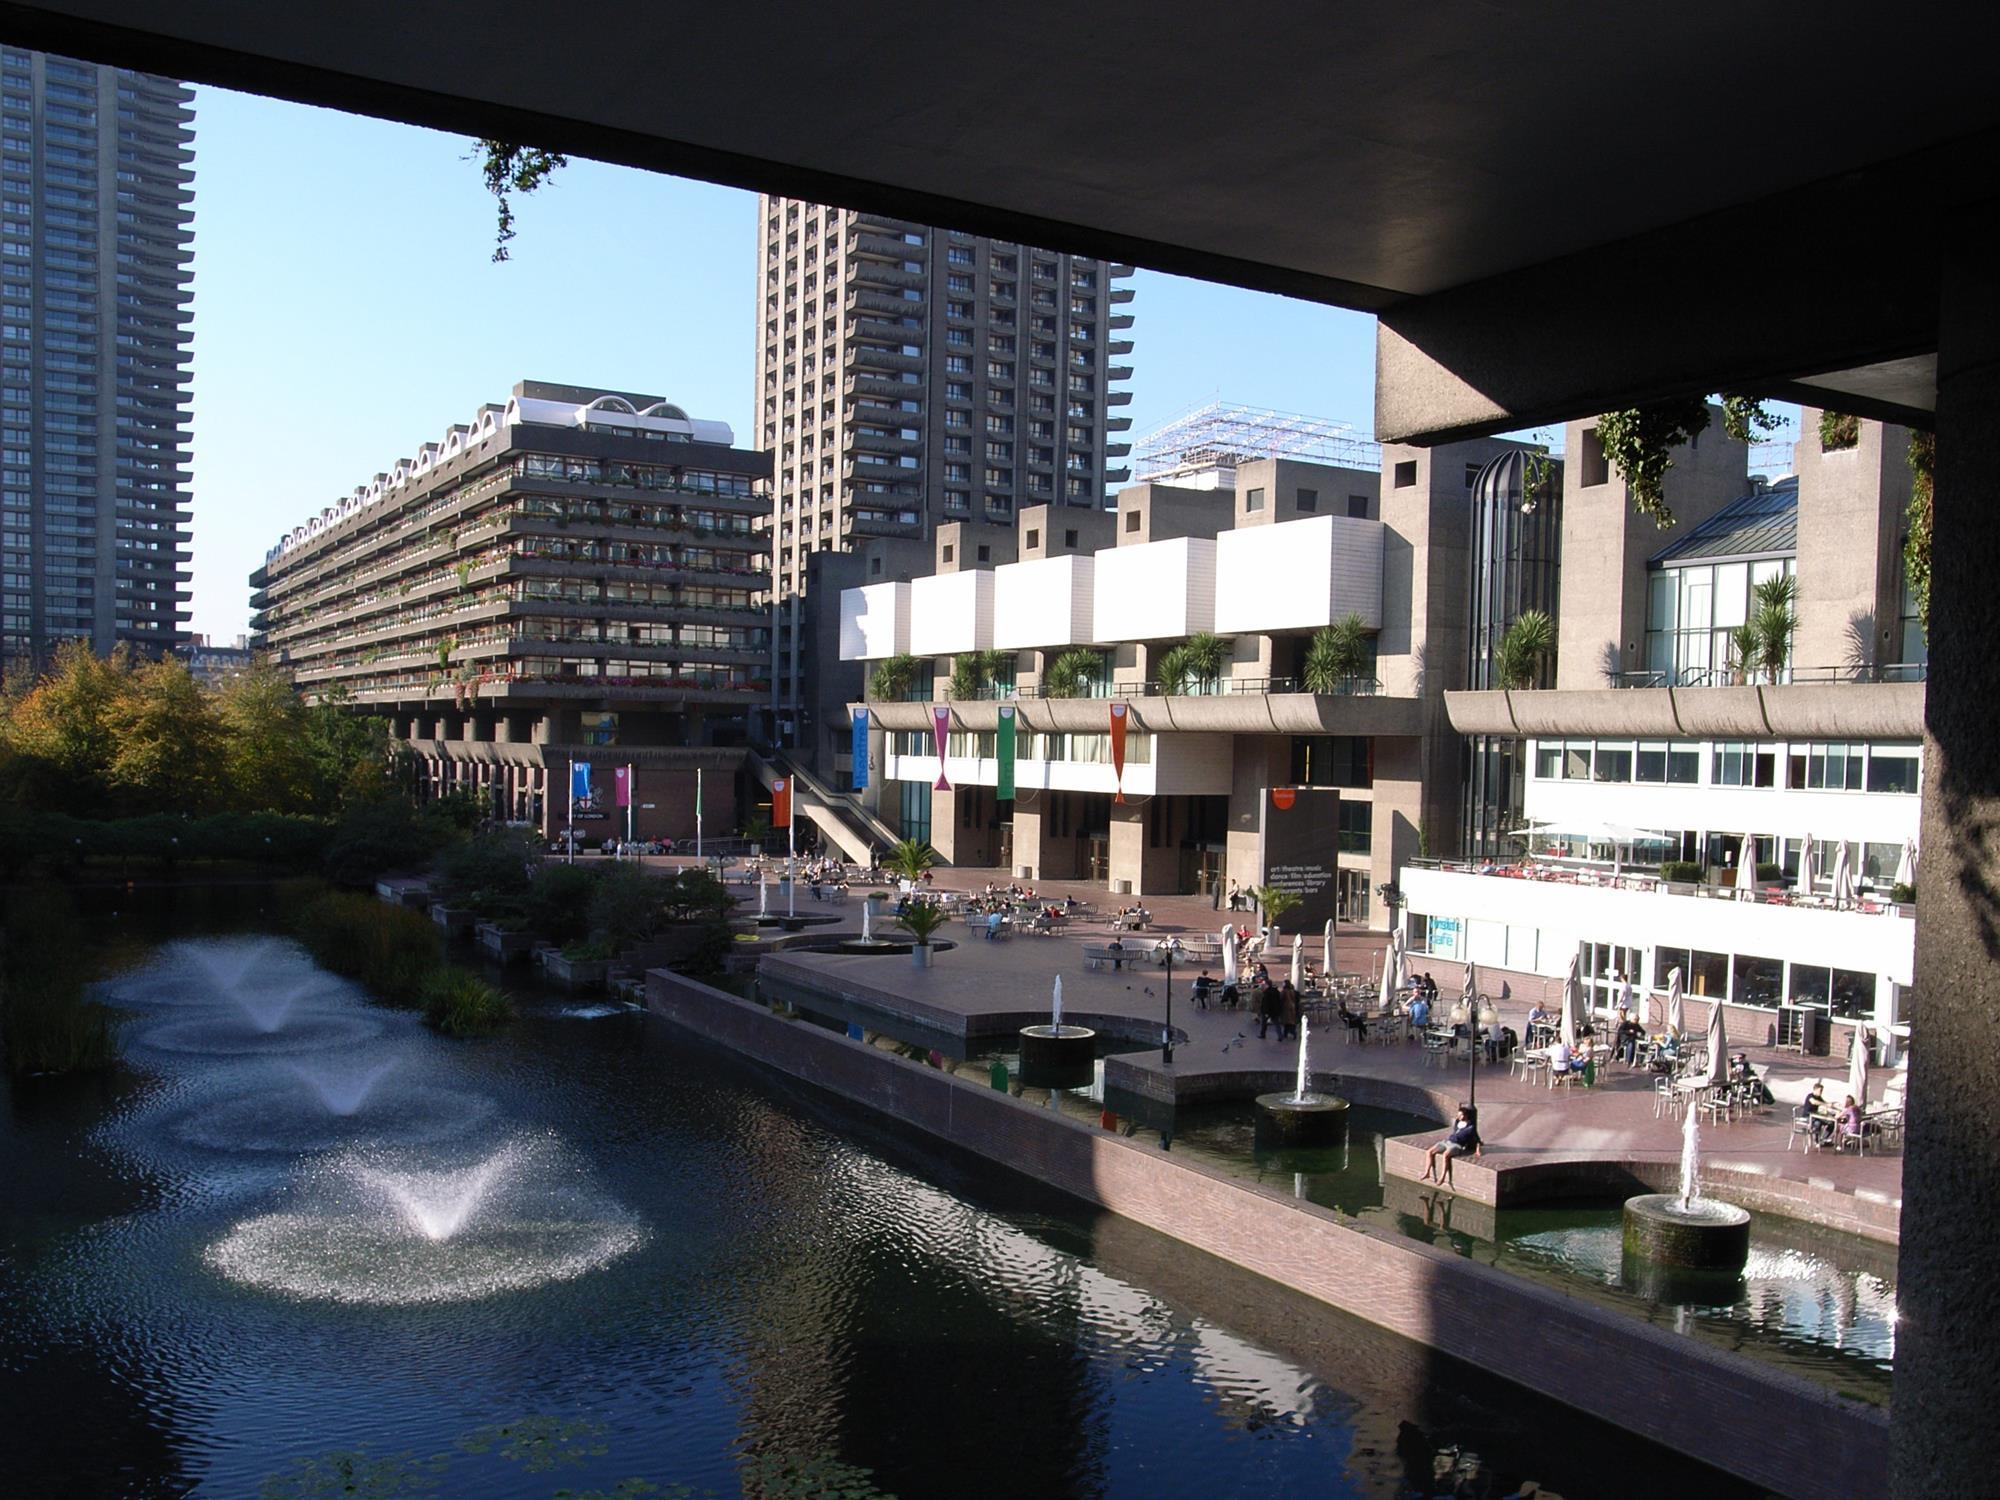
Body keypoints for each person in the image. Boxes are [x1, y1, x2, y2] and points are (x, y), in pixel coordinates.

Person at [1422, 1104, 1481, 1184]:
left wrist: (1477, 1150)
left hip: (1457, 1145)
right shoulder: (1457, 1122)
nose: (1459, 1117)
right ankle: (1427, 1172)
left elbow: (1477, 1139)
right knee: (1429, 1152)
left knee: (1446, 1155)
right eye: (1458, 1115)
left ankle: (1442, 1177)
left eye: (1461, 1115)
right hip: (1447, 1141)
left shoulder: (1470, 1127)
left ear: (1466, 1115)